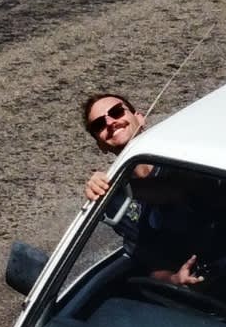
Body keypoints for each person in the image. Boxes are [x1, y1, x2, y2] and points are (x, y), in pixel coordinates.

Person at [79, 91, 201, 286]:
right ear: (100, 144)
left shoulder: (185, 155)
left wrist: (119, 187)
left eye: (117, 112)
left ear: (140, 118)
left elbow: (180, 190)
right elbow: (146, 260)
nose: (110, 122)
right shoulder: (113, 200)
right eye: (99, 124)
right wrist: (174, 279)